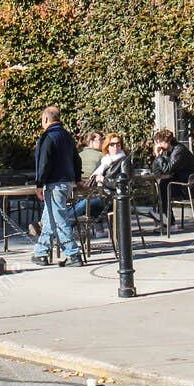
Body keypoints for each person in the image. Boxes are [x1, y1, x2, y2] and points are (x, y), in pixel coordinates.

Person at [32, 105, 85, 267]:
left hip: (53, 183)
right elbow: (76, 159)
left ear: (46, 119)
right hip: (66, 181)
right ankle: (41, 252)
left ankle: (73, 253)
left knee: (59, 218)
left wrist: (39, 183)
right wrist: (77, 178)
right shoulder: (67, 136)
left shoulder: (48, 137)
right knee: (49, 217)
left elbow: (44, 162)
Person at [151, 128, 194, 230]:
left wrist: (158, 156)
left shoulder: (178, 151)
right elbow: (158, 171)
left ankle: (169, 223)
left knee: (164, 187)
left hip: (190, 188)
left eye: (159, 142)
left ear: (167, 141)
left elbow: (167, 169)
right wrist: (159, 157)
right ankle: (167, 220)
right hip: (184, 184)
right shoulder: (171, 151)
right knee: (163, 185)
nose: (157, 145)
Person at [73, 133, 130, 222]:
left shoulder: (124, 161)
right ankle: (62, 225)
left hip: (112, 198)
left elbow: (124, 185)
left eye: (118, 144)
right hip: (99, 194)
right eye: (112, 144)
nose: (115, 147)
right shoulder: (104, 160)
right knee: (79, 203)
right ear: (107, 147)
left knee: (84, 204)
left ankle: (60, 223)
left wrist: (103, 179)